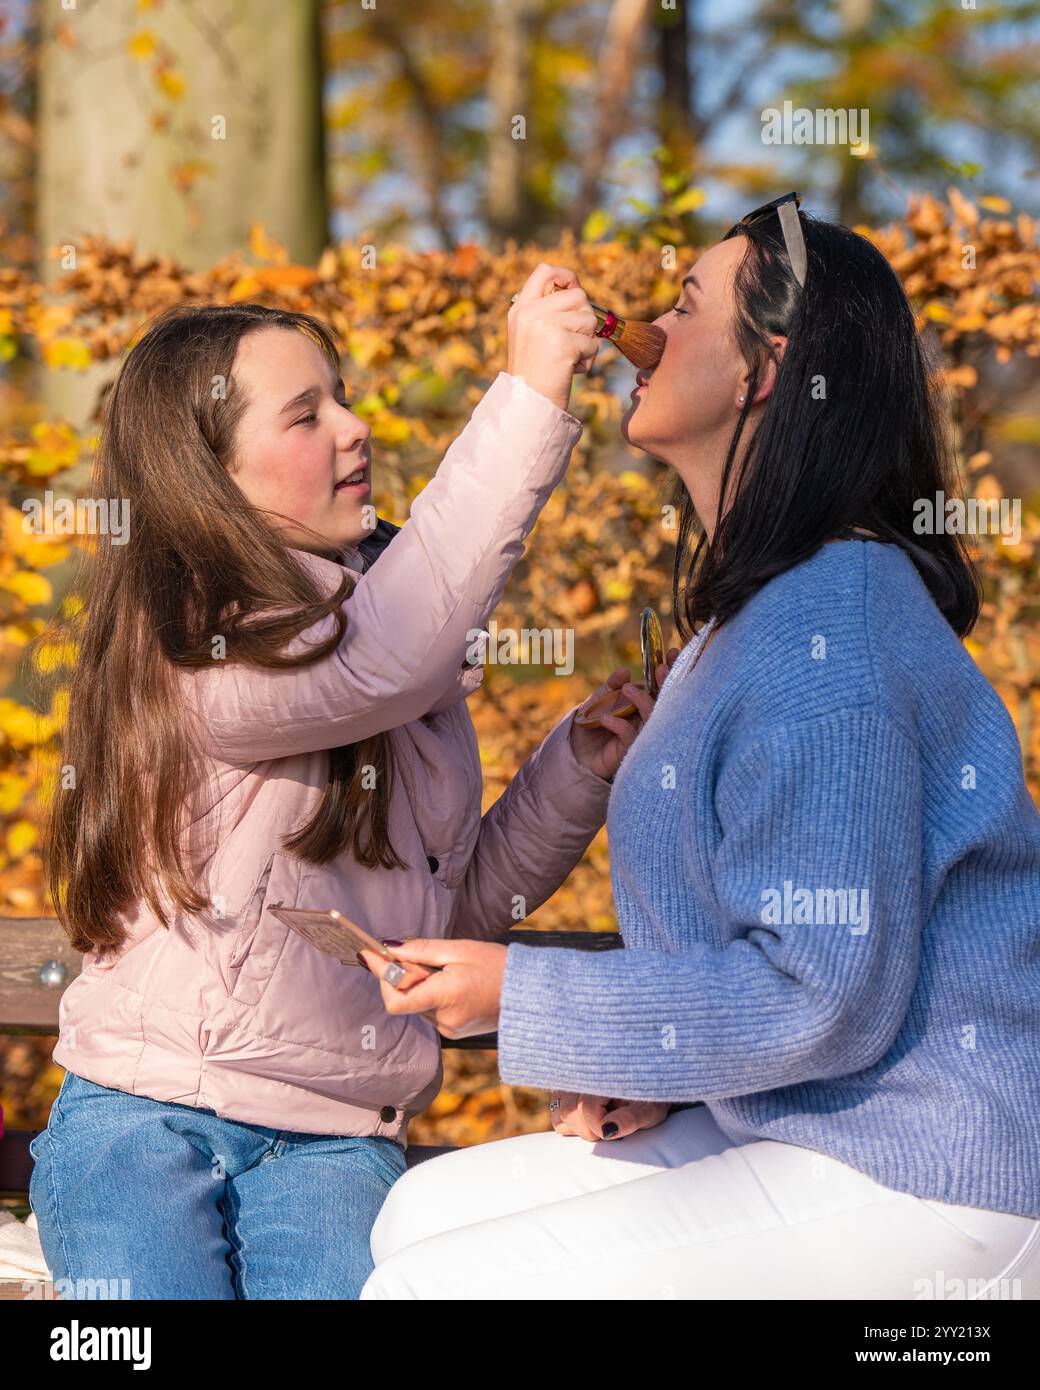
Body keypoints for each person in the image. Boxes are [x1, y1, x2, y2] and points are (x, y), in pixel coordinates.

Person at [358, 197, 1040, 1300]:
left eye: (683, 305)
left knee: (431, 1289)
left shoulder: (833, 629)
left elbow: (821, 994)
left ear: (760, 371)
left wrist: (522, 1000)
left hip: (926, 1169)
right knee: (416, 1214)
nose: (648, 328)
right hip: (805, 1122)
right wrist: (650, 1068)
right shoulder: (757, 613)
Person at [28, 265, 651, 1299]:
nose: (354, 429)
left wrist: (574, 770)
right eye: (305, 414)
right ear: (207, 477)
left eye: (345, 398)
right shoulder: (191, 636)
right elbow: (379, 655)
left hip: (332, 1144)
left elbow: (460, 899)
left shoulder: (393, 659)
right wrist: (531, 395)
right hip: (144, 1118)